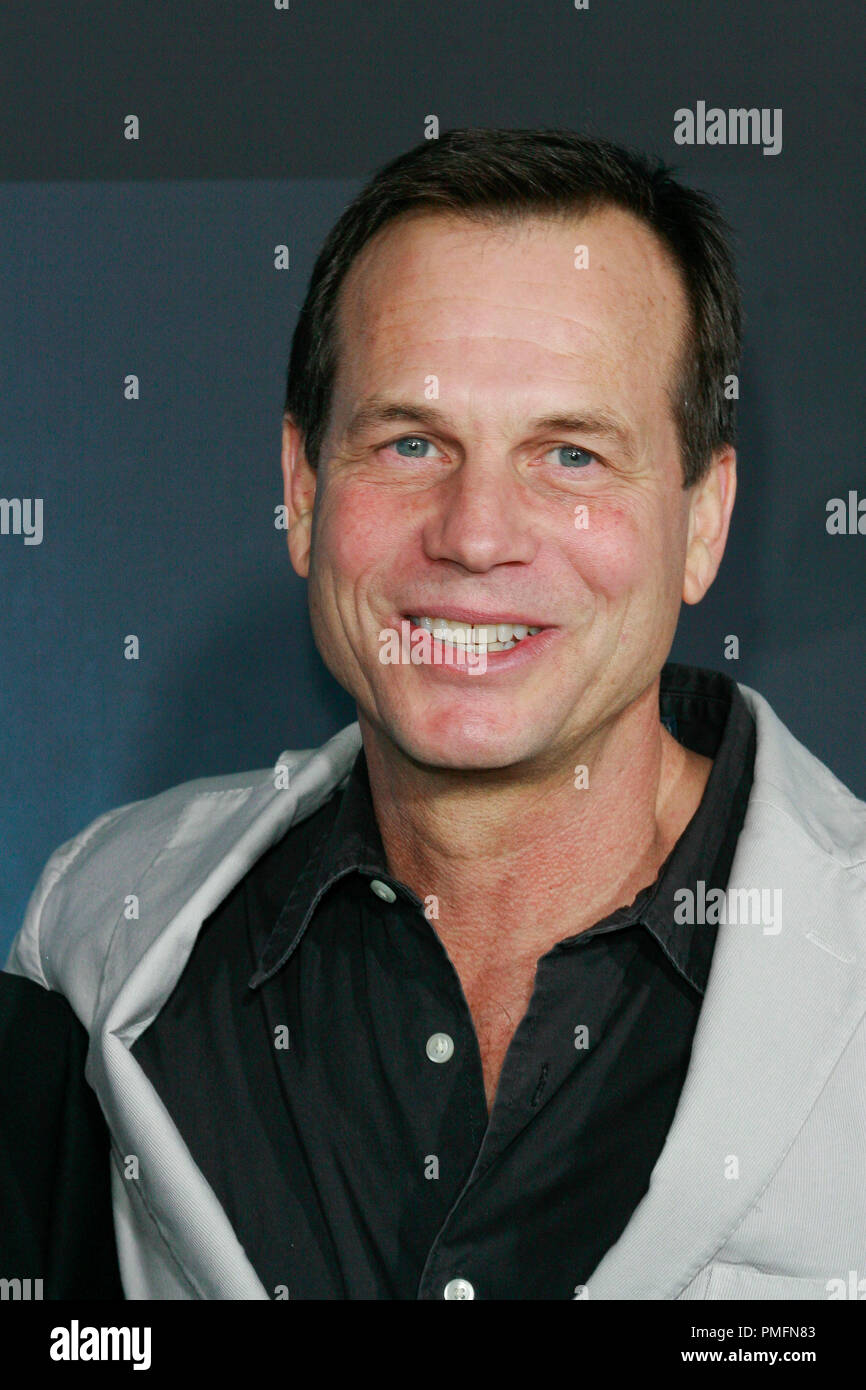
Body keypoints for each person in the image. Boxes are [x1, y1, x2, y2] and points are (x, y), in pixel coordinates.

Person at [5, 129, 865, 1301]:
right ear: (303, 494)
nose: (472, 533)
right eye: (410, 441)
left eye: (568, 454)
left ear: (702, 517)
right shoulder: (104, 928)